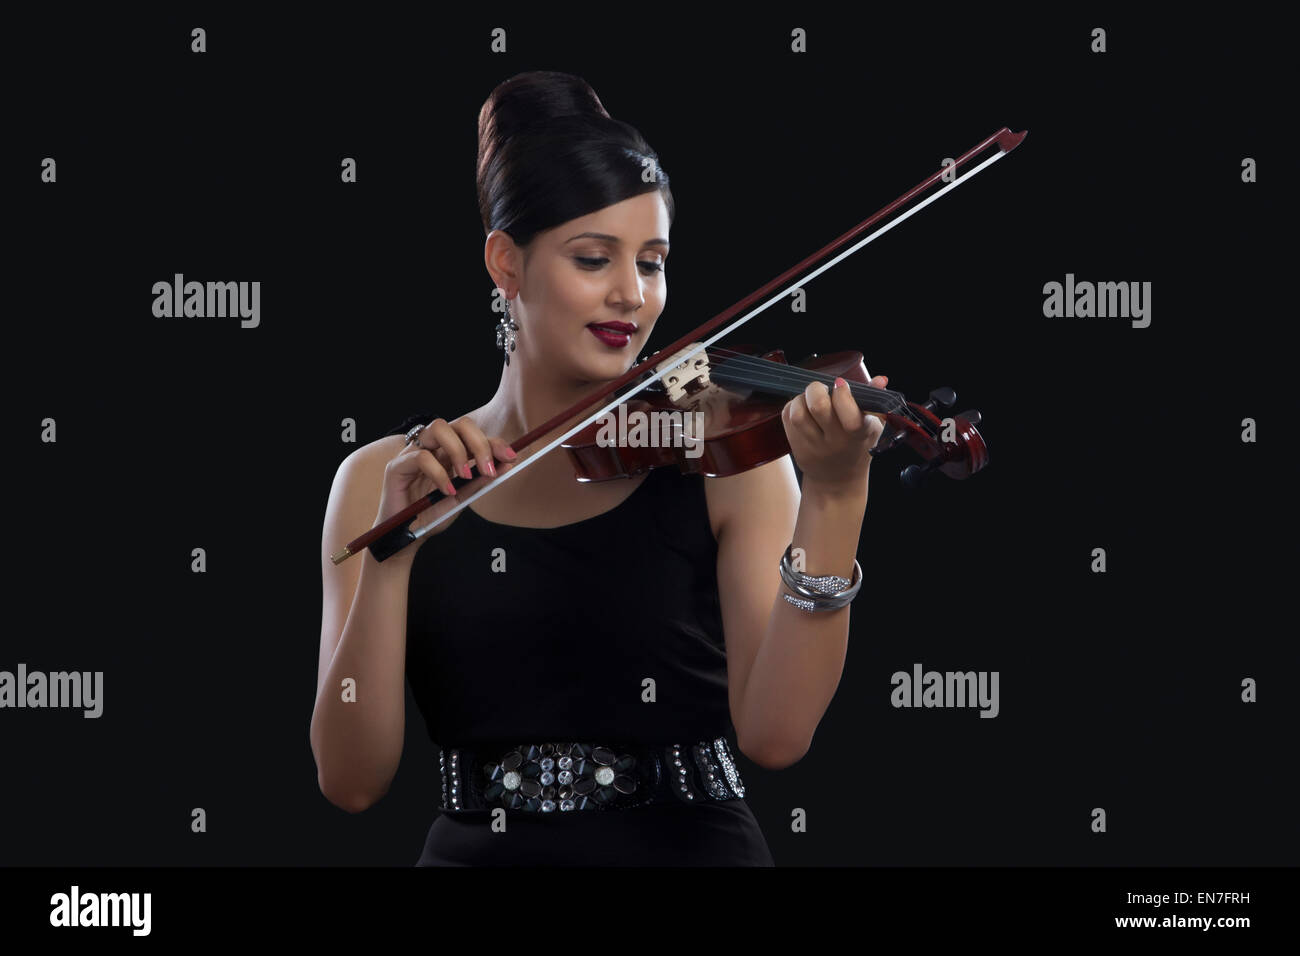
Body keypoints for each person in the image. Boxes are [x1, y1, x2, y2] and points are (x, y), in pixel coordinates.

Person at [311, 70, 889, 866]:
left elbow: (777, 736)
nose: (632, 296)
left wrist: (835, 492)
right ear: (506, 265)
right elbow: (351, 780)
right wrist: (391, 551)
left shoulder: (719, 455)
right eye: (593, 259)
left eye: (651, 263)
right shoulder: (383, 477)